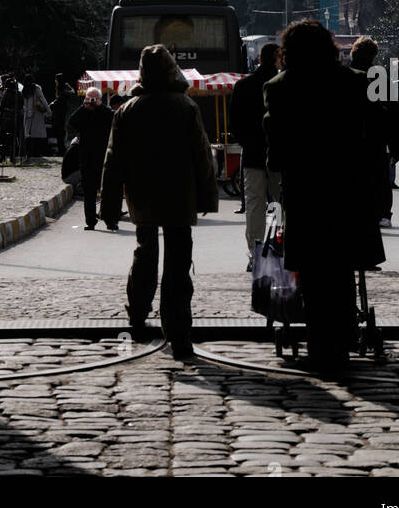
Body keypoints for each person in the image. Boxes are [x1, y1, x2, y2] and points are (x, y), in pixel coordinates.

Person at [264, 20, 384, 373]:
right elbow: (371, 138)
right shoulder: (354, 83)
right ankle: (344, 336)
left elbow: (276, 146)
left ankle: (319, 343)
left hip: (305, 190)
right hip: (347, 187)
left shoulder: (279, 87)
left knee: (314, 269)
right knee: (342, 265)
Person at [100, 44, 218, 360]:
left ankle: (137, 316)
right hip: (180, 195)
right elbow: (202, 156)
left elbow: (114, 163)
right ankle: (179, 335)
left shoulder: (128, 110)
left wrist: (109, 207)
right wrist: (207, 195)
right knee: (178, 263)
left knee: (144, 252)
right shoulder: (186, 106)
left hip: (142, 195)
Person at [229, 41, 279, 271]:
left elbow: (234, 124)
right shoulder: (282, 85)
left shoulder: (243, 86)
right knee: (279, 204)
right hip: (279, 154)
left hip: (252, 154)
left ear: (259, 59)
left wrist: (247, 141)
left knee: (255, 207)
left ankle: (256, 253)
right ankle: (278, 249)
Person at [349, 35, 399, 231]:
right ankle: (383, 214)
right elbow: (394, 114)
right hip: (376, 140)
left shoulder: (344, 76)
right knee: (381, 179)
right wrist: (396, 147)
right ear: (373, 57)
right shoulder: (381, 80)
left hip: (351, 141)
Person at [69, 86, 115, 230]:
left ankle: (110, 220)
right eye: (90, 98)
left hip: (104, 158)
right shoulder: (83, 112)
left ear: (100, 99)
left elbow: (113, 116)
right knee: (89, 192)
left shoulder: (106, 112)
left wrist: (99, 107)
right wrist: (84, 106)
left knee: (108, 191)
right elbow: (71, 123)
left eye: (95, 98)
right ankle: (90, 221)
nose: (92, 101)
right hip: (87, 158)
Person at [21, 74, 51, 158]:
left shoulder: (24, 90)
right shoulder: (36, 88)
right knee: (37, 135)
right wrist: (49, 111)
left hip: (27, 114)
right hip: (36, 113)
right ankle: (36, 152)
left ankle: (28, 153)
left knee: (28, 134)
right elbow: (43, 100)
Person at [50, 73, 76, 156]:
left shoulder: (64, 87)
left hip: (61, 111)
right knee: (59, 130)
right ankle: (61, 148)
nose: (55, 81)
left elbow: (72, 92)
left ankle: (62, 149)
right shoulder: (60, 88)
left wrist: (65, 91)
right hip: (59, 111)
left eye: (56, 80)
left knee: (60, 130)